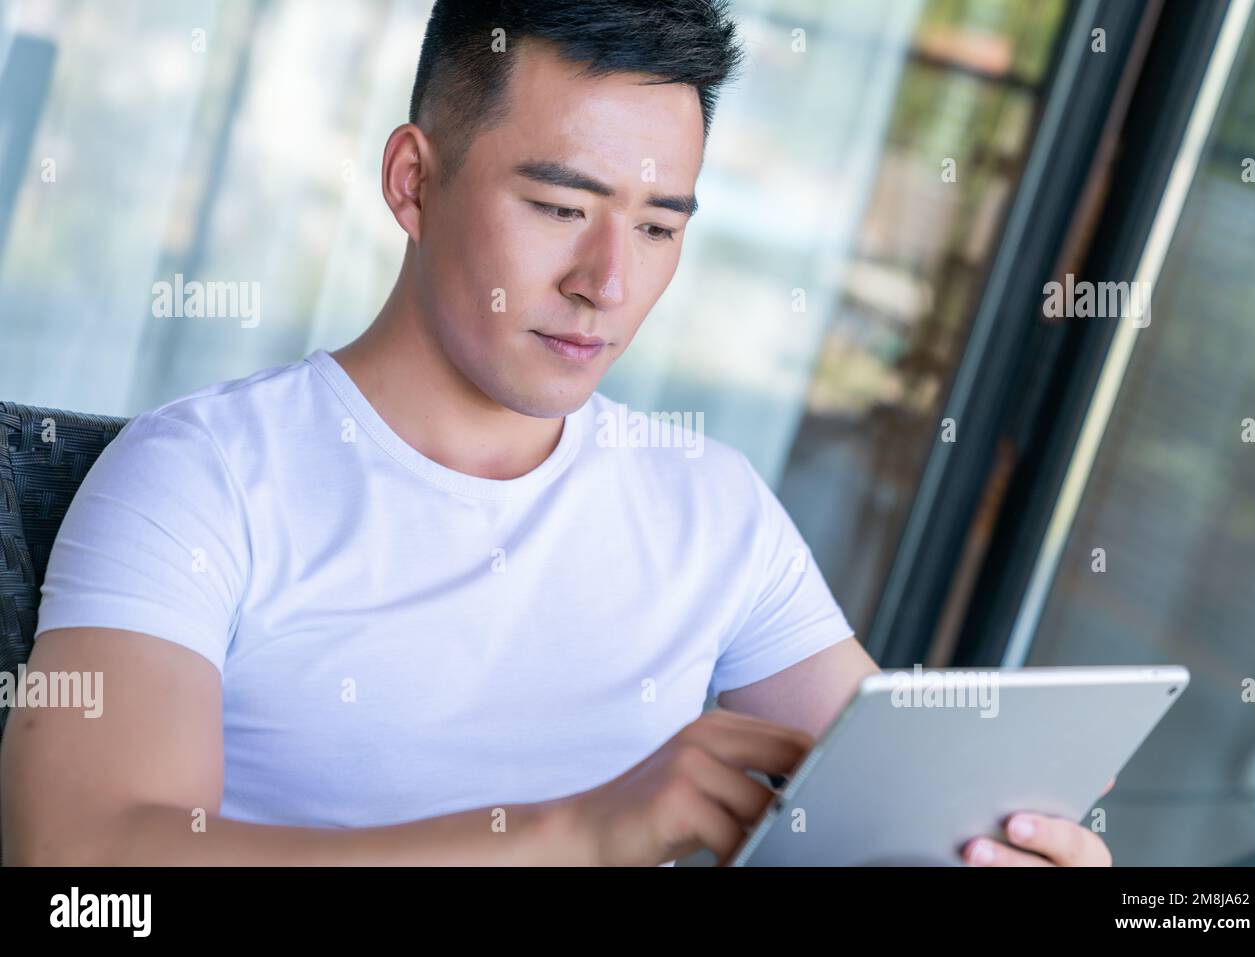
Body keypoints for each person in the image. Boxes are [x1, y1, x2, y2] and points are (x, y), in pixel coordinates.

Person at [0, 0, 1111, 867]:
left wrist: (1005, 844)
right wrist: (576, 837)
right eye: (560, 208)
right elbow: (84, 876)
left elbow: (904, 803)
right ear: (411, 180)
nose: (608, 284)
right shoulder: (202, 480)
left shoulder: (711, 509)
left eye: (659, 224)